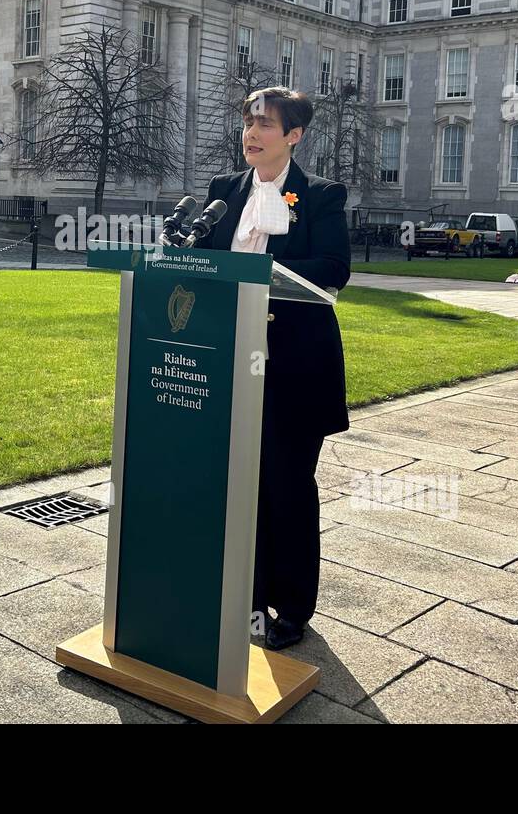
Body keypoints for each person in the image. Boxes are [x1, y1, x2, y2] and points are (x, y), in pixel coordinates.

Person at [193, 86, 351, 652]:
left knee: (286, 487)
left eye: (265, 124)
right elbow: (199, 261)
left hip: (294, 368)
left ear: (294, 135)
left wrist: (257, 266)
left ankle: (291, 607)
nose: (252, 133)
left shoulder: (321, 196)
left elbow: (334, 267)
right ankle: (246, 596)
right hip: (227, 361)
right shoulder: (220, 193)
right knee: (237, 485)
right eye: (247, 122)